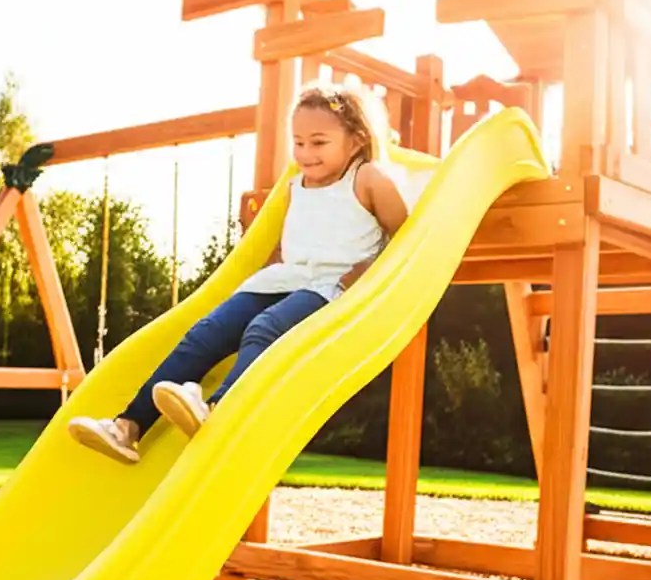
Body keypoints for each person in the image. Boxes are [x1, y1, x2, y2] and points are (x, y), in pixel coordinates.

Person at [67, 81, 409, 464]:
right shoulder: (296, 187)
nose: (305, 153)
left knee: (264, 327)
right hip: (289, 279)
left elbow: (405, 237)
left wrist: (364, 275)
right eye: (298, 142)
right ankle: (126, 428)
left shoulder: (368, 179)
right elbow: (288, 245)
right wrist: (262, 277)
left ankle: (219, 409)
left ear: (357, 140)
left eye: (319, 142)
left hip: (331, 288)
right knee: (205, 334)